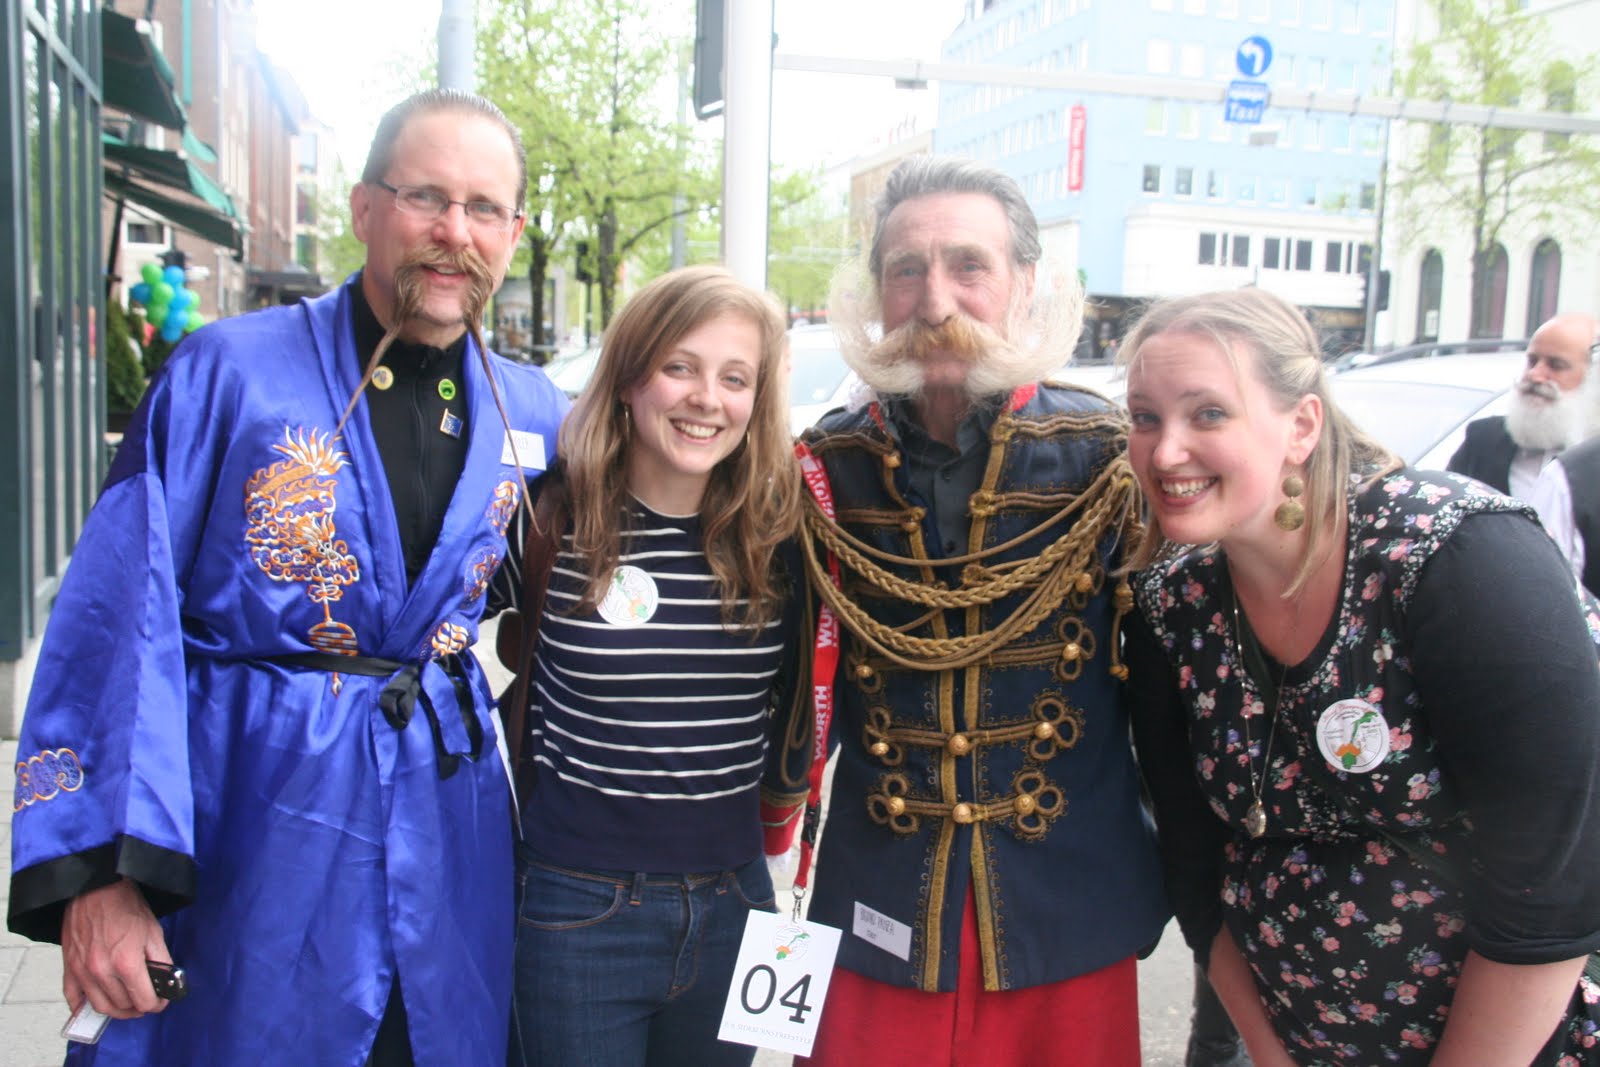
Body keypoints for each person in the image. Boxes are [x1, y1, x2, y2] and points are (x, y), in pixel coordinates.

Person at [7, 89, 569, 1064]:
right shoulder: (226, 373)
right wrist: (102, 876)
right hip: (252, 816)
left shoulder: (537, 411)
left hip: (449, 821)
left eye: (484, 208)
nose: (454, 232)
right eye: (425, 196)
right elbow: (114, 617)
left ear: (514, 233)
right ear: (362, 209)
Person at [1120, 287, 1600, 1066]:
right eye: (1145, 417)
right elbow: (1196, 869)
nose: (1166, 450)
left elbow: (1550, 895)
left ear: (1302, 425)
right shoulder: (1169, 609)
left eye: (1208, 413)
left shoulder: (1457, 561)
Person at [787, 155, 1168, 1066]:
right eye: (906, 269)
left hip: (1065, 912)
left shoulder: (1112, 460)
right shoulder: (820, 467)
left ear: (1025, 285)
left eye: (969, 266)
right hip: (877, 904)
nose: (934, 299)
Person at [491, 265, 808, 1066]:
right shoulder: (546, 520)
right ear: (630, 378)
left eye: (735, 377)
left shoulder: (780, 537)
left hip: (738, 901)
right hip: (576, 907)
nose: (708, 397)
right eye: (681, 366)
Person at [1446, 312, 1600, 496]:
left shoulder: (1593, 458)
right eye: (1532, 361)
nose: (1534, 374)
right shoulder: (1483, 441)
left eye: (1556, 365)